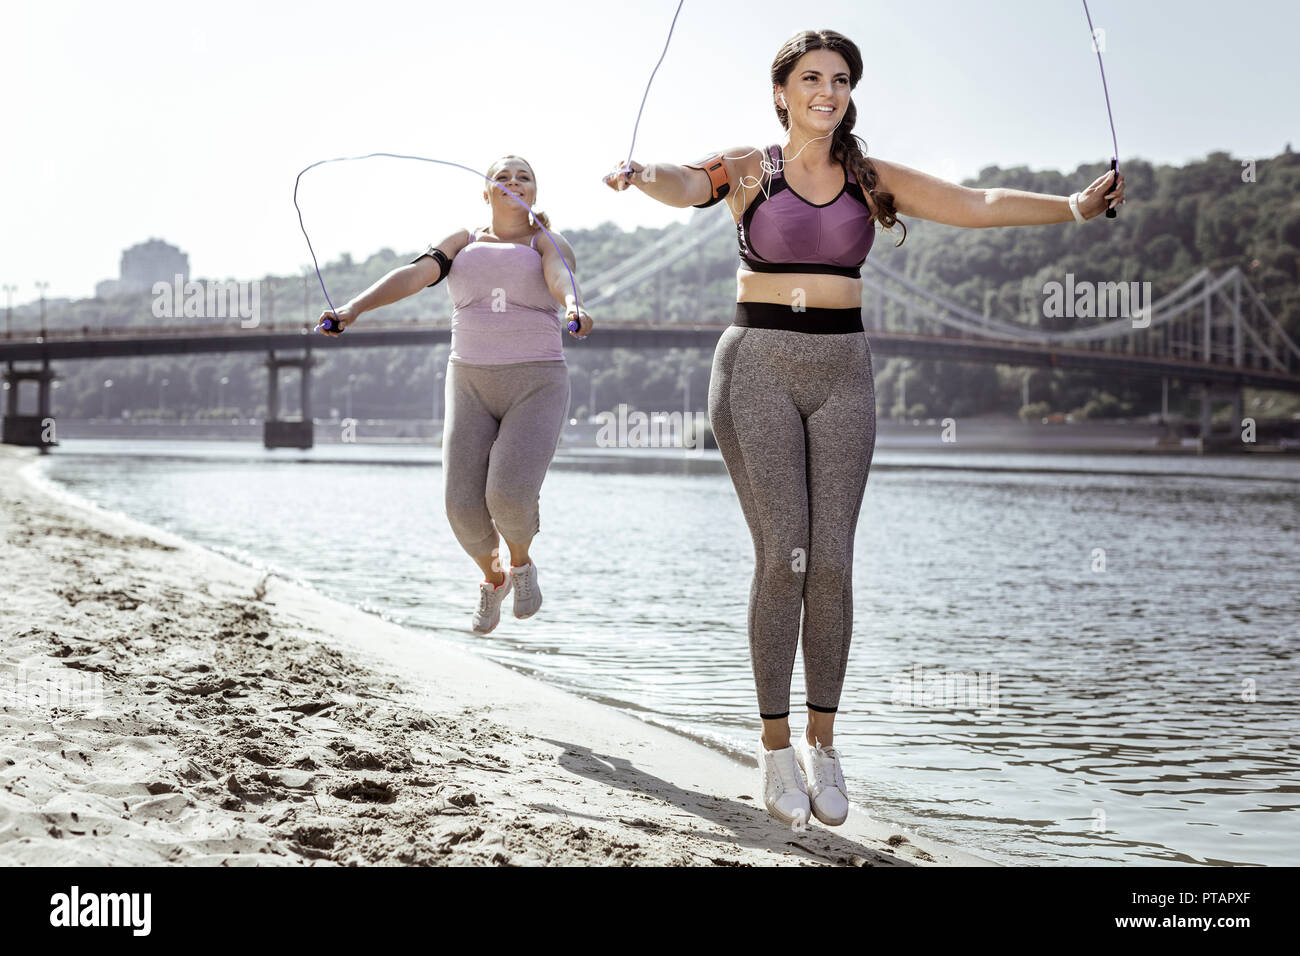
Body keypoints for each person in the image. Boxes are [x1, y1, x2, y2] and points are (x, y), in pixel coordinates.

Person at [604, 29, 1125, 830]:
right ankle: (773, 749)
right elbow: (684, 182)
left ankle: (824, 744)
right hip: (757, 368)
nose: (828, 90)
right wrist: (642, 176)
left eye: (841, 79)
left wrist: (1073, 208)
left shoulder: (867, 177)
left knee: (834, 562)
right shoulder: (751, 167)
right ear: (781, 92)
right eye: (811, 78)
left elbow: (974, 205)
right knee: (785, 556)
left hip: (845, 370)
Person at [317, 155, 594, 634]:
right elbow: (414, 274)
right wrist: (354, 308)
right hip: (469, 381)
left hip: (537, 382)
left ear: (534, 192)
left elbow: (559, 276)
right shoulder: (462, 241)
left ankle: (523, 564)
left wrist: (574, 306)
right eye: (501, 177)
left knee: (507, 495)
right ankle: (494, 579)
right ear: (485, 193)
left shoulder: (546, 240)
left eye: (522, 177)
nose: (512, 182)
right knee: (461, 507)